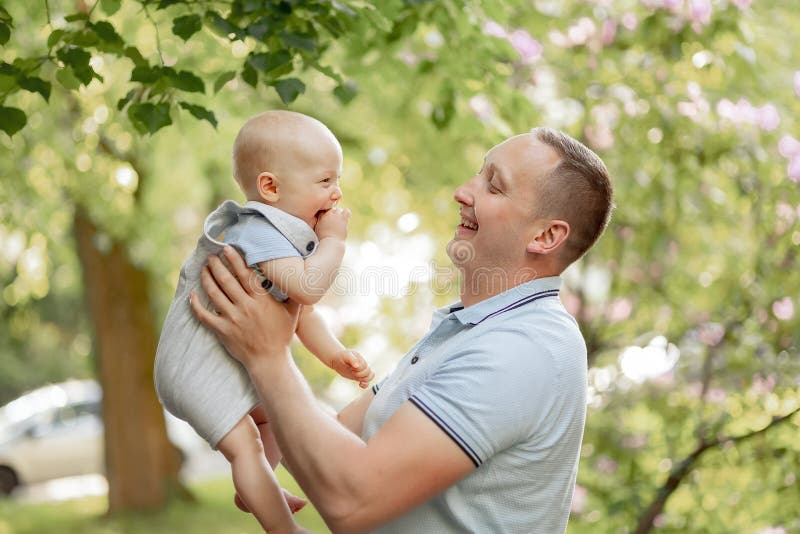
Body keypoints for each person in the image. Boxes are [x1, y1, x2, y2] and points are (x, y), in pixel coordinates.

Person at [190, 127, 613, 533]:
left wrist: (268, 357)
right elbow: (341, 433)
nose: (463, 192)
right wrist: (246, 424)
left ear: (546, 235)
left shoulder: (524, 350)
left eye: (493, 186)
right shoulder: (472, 329)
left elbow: (352, 501)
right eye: (478, 174)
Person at [154, 110, 374, 534]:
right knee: (247, 447)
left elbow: (301, 313)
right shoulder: (256, 231)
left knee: (273, 418)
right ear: (271, 187)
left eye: (337, 179)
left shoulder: (284, 238)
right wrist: (334, 242)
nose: (337, 193)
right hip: (193, 368)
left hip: (222, 360)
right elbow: (309, 288)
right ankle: (283, 529)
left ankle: (256, 488)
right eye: (325, 181)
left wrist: (335, 356)